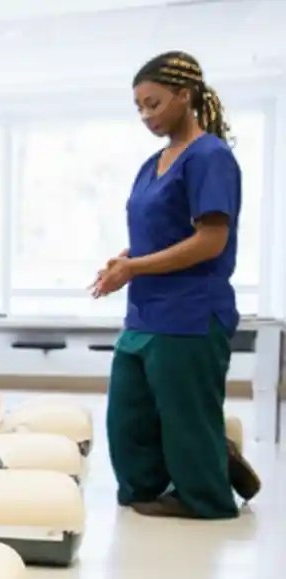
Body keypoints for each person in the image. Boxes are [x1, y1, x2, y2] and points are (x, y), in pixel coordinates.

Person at [92, 50, 260, 519]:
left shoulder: (210, 157)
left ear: (185, 96)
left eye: (154, 103)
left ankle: (205, 496)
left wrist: (135, 268)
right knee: (128, 418)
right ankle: (152, 484)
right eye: (139, 107)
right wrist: (126, 259)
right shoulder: (153, 163)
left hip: (190, 311)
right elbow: (160, 233)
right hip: (145, 311)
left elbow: (210, 240)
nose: (146, 116)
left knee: (187, 418)